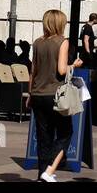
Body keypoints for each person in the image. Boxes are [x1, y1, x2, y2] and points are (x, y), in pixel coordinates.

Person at [27, 9, 81, 182]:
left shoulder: (37, 43)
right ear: (60, 24)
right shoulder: (62, 42)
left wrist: (30, 93)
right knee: (66, 133)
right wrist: (75, 65)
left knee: (44, 137)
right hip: (55, 95)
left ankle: (41, 174)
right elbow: (62, 70)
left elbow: (33, 71)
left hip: (37, 94)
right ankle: (49, 171)